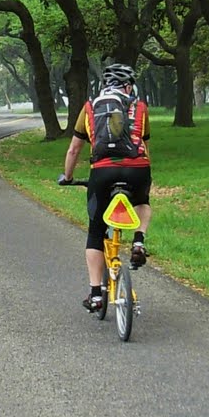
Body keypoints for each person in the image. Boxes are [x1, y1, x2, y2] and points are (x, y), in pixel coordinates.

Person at [57, 62, 153, 314]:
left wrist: (67, 177)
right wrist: (144, 173)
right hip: (138, 168)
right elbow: (144, 144)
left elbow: (74, 149)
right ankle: (139, 241)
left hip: (103, 171)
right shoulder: (140, 107)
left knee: (96, 230)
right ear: (128, 87)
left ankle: (96, 294)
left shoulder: (90, 107)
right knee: (143, 203)